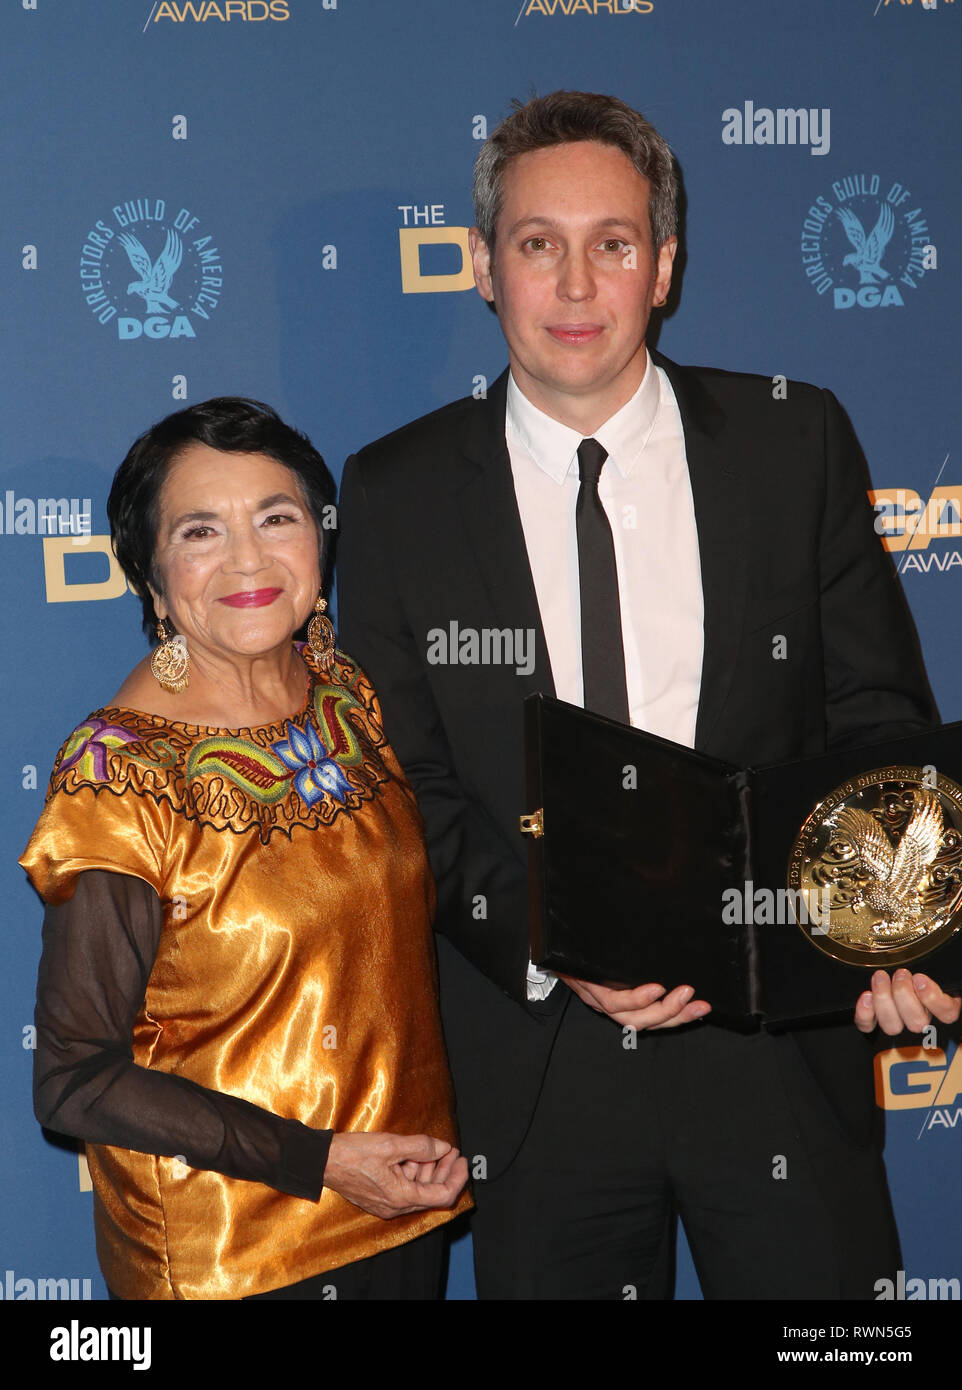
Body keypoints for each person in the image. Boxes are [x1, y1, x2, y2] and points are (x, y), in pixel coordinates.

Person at [336, 91, 961, 1300]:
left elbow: (877, 727)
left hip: (775, 1043)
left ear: (662, 266)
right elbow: (405, 786)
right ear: (480, 266)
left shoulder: (797, 444)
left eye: (611, 244)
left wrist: (889, 930)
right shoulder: (396, 490)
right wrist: (550, 941)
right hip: (539, 1066)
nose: (575, 284)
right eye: (536, 243)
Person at [20, 397, 470, 1301]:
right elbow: (75, 1080)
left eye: (276, 518)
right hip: (234, 1257)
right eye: (200, 532)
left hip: (398, 1211)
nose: (248, 559)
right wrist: (322, 1160)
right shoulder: (120, 773)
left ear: (319, 541)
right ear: (150, 577)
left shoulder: (348, 694)